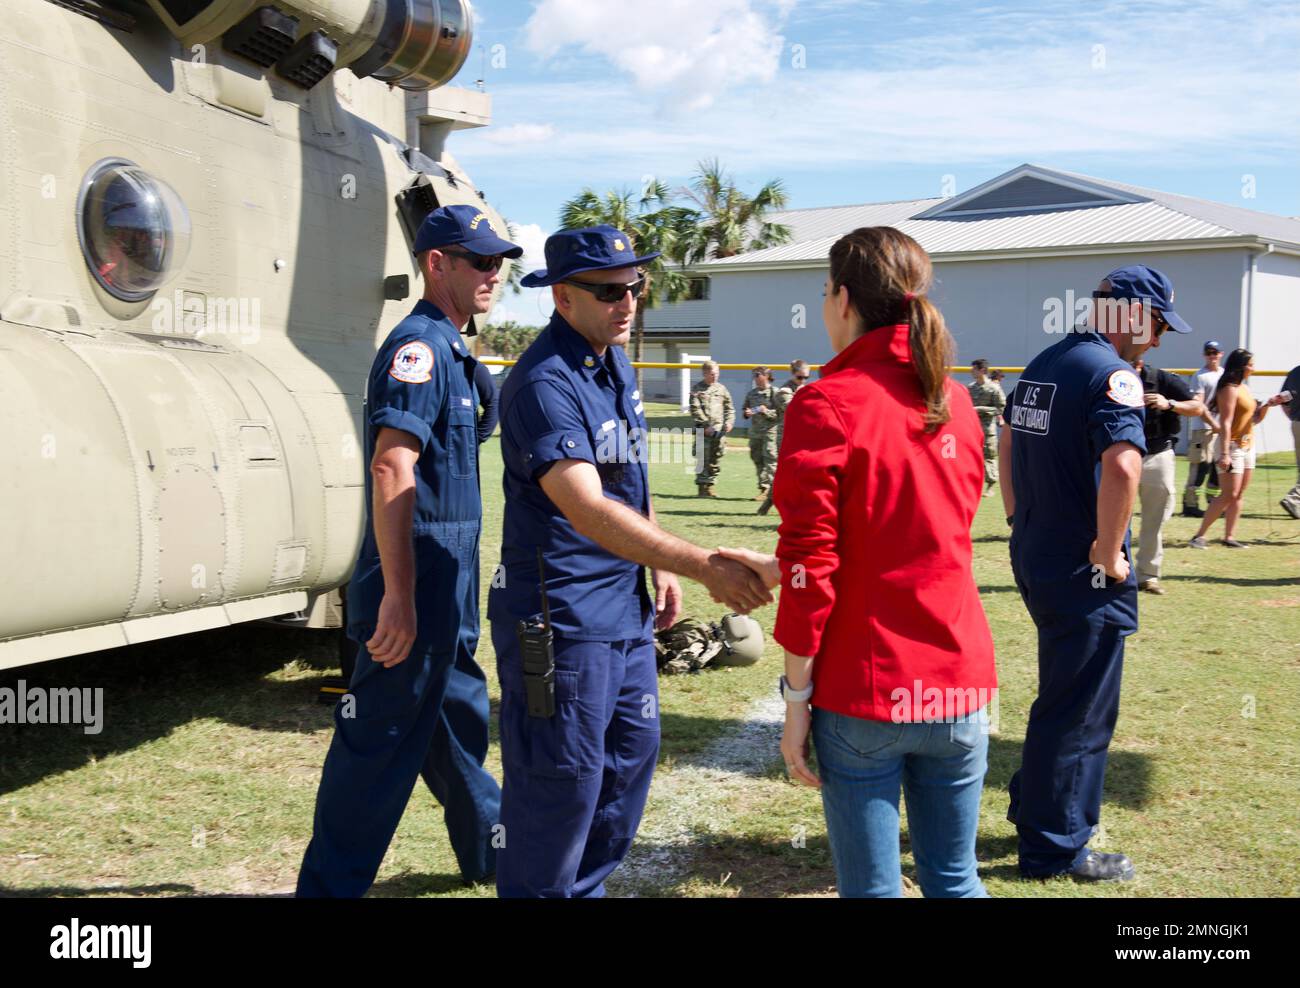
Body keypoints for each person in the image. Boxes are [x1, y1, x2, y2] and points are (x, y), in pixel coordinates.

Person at [489, 226, 773, 898]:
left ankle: (583, 888)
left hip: (622, 606)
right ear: (562, 297)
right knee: (562, 779)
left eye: (636, 286)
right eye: (610, 290)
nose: (629, 302)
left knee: (628, 761)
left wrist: (662, 568)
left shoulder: (609, 358)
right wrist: (704, 561)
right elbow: (586, 509)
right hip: (561, 616)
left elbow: (626, 481)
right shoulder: (543, 383)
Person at [723, 227, 998, 898]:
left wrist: (794, 702)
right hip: (958, 681)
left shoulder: (827, 402)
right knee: (955, 879)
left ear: (843, 299)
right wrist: (775, 562)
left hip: (870, 688)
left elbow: (817, 569)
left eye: (823, 293)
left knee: (873, 888)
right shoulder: (954, 400)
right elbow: (914, 538)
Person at [297, 205, 524, 896]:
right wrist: (397, 597)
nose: (494, 274)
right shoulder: (418, 350)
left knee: (454, 721)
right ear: (437, 264)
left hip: (444, 584)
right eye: (479, 261)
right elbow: (392, 467)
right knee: (376, 745)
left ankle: (492, 850)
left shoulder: (455, 349)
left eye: (498, 262)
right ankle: (328, 888)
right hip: (413, 583)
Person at [1000, 264, 1192, 882]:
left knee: (1062, 694)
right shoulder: (1113, 374)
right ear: (1132, 314)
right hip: (1083, 569)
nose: (1158, 340)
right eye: (1158, 323)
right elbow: (1124, 467)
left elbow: (1004, 439)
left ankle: (1034, 806)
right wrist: (1110, 551)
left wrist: (1016, 513)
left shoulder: (1044, 361)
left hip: (1036, 552)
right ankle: (1055, 846)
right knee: (1081, 710)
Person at [1189, 349, 1287, 548]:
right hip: (1231, 446)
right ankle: (1199, 536)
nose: (1253, 368)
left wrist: (1268, 405)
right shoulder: (1229, 388)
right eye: (1251, 364)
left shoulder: (1244, 388)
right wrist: (1224, 453)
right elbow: (1225, 423)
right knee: (1228, 494)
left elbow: (1254, 419)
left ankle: (1229, 537)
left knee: (1239, 494)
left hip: (1247, 446)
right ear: (1242, 366)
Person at [1131, 356, 1203, 594]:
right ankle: (1111, 573)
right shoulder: (1106, 377)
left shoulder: (1161, 379)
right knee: (1111, 520)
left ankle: (1147, 575)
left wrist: (1169, 403)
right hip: (1119, 455)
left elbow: (1197, 407)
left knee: (1154, 519)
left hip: (1156, 454)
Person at [757, 360, 811, 515]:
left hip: (804, 435)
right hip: (787, 437)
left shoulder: (804, 388)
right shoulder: (784, 392)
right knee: (786, 473)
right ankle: (768, 502)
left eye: (806, 377)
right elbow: (797, 409)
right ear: (792, 373)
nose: (803, 380)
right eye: (800, 377)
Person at [1181, 341, 1225, 517]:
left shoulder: (1223, 374)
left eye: (1215, 352)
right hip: (1203, 429)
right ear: (1204, 355)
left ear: (1221, 354)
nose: (1212, 355)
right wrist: (1213, 424)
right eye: (1208, 352)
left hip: (1220, 429)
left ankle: (1214, 503)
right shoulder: (1200, 376)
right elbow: (1198, 404)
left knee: (1217, 469)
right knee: (1200, 467)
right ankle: (1190, 504)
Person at [689, 359, 733, 497]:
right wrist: (706, 425)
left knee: (715, 457)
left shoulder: (721, 389)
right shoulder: (696, 389)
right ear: (705, 373)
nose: (716, 376)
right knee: (702, 457)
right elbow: (695, 409)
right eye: (713, 373)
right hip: (703, 430)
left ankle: (710, 486)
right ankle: (702, 487)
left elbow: (729, 408)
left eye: (717, 373)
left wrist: (730, 422)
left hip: (719, 431)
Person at [968, 358, 1006, 498]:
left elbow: (1001, 408)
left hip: (987, 430)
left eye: (974, 369)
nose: (972, 371)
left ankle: (990, 487)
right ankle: (972, 485)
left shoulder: (994, 388)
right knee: (970, 457)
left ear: (982, 370)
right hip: (971, 428)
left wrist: (980, 409)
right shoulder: (971, 387)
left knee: (989, 457)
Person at [742, 366, 779, 499]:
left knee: (771, 461)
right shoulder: (751, 394)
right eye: (754, 375)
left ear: (766, 375)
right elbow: (745, 411)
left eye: (757, 375)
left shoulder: (775, 392)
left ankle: (775, 490)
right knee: (757, 460)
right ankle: (764, 488)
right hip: (755, 432)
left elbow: (781, 414)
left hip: (770, 433)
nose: (755, 378)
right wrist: (746, 413)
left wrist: (766, 411)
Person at [1277, 363, 1300, 520]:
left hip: (1297, 423)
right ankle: (1293, 498)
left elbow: (1283, 400)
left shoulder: (1295, 373)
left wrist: (1293, 418)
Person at [473, 359, 500, 444]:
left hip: (462, 446)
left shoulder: (472, 366)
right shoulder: (434, 365)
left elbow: (493, 402)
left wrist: (478, 437)